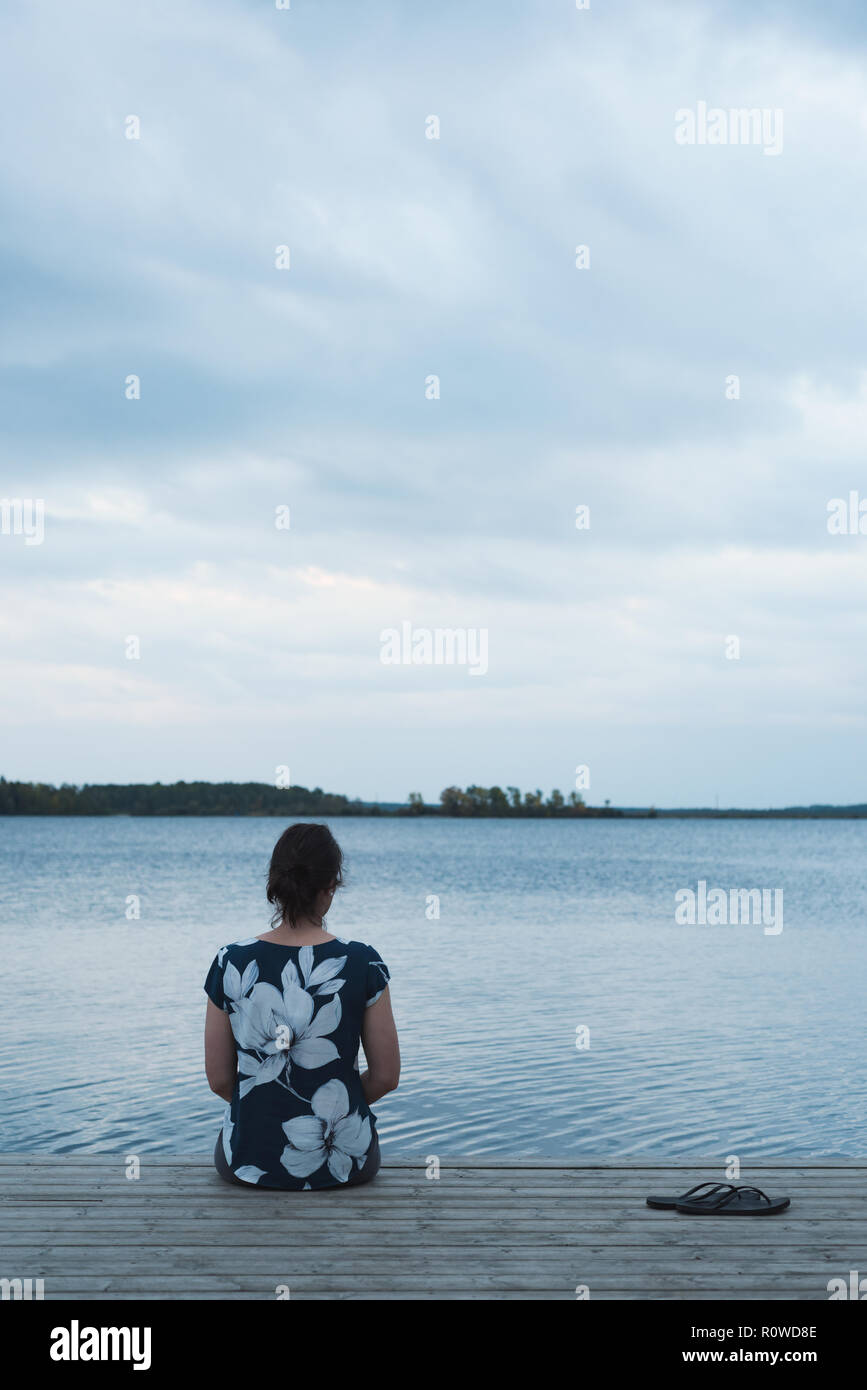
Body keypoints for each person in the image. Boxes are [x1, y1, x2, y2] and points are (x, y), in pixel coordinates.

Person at [203, 822, 400, 1189]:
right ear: (331, 887)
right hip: (346, 1163)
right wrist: (335, 1102)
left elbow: (219, 1080)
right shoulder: (363, 962)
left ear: (275, 883)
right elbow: (386, 1077)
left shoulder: (231, 961)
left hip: (248, 1159)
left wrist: (269, 1101)